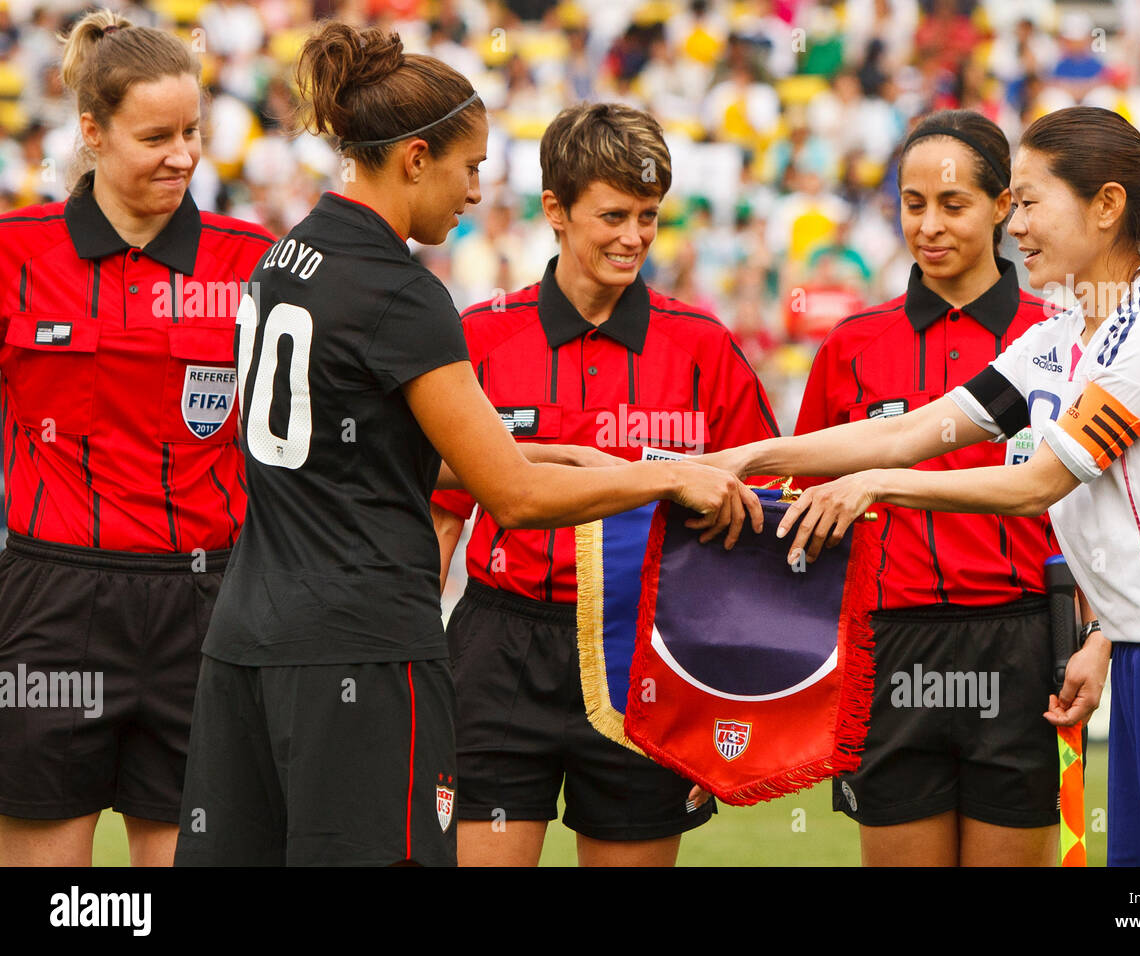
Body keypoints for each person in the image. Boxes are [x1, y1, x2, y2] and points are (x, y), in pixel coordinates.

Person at [172, 26, 759, 868]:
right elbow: (511, 497)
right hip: (362, 648)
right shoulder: (405, 295)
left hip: (248, 636)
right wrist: (660, 480)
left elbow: (368, 449)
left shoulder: (284, 260)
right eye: (470, 166)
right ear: (415, 157)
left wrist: (576, 458)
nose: (477, 193)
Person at [702, 106, 1140, 867]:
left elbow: (1037, 485)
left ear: (1107, 206)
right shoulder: (1057, 335)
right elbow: (910, 430)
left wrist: (877, 486)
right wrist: (748, 459)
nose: (1013, 224)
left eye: (1028, 200)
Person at [431, 102, 781, 868]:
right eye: (613, 215)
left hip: (646, 653)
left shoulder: (704, 347)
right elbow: (440, 511)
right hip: (500, 647)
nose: (634, 238)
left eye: (649, 216)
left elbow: (763, 503)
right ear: (555, 209)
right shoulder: (480, 338)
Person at [0, 10, 275, 866]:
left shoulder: (255, 262)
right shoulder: (16, 254)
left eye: (193, 130)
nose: (184, 155)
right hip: (52, 604)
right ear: (92, 131)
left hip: (210, 607)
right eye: (156, 135)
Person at [794, 110, 1062, 866]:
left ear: (1003, 205)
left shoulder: (1059, 336)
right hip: (889, 647)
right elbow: (801, 494)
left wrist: (1097, 635)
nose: (930, 226)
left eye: (953, 205)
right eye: (914, 205)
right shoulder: (852, 344)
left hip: (1023, 643)